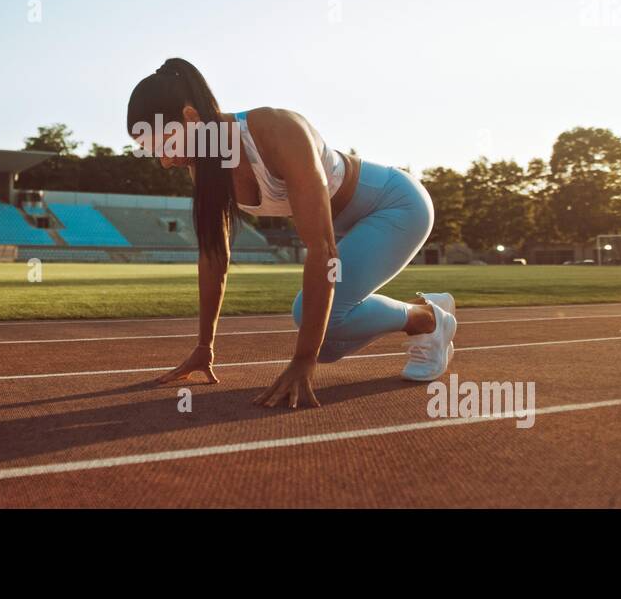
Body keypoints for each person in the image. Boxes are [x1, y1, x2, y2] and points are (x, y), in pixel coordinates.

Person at [126, 58, 458, 409]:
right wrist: (204, 347)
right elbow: (213, 257)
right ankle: (424, 313)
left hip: (395, 205)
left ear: (191, 118)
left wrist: (302, 362)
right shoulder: (205, 168)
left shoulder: (276, 130)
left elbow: (323, 251)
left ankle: (428, 320)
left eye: (162, 144)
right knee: (327, 345)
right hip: (345, 224)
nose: (163, 160)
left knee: (312, 323)